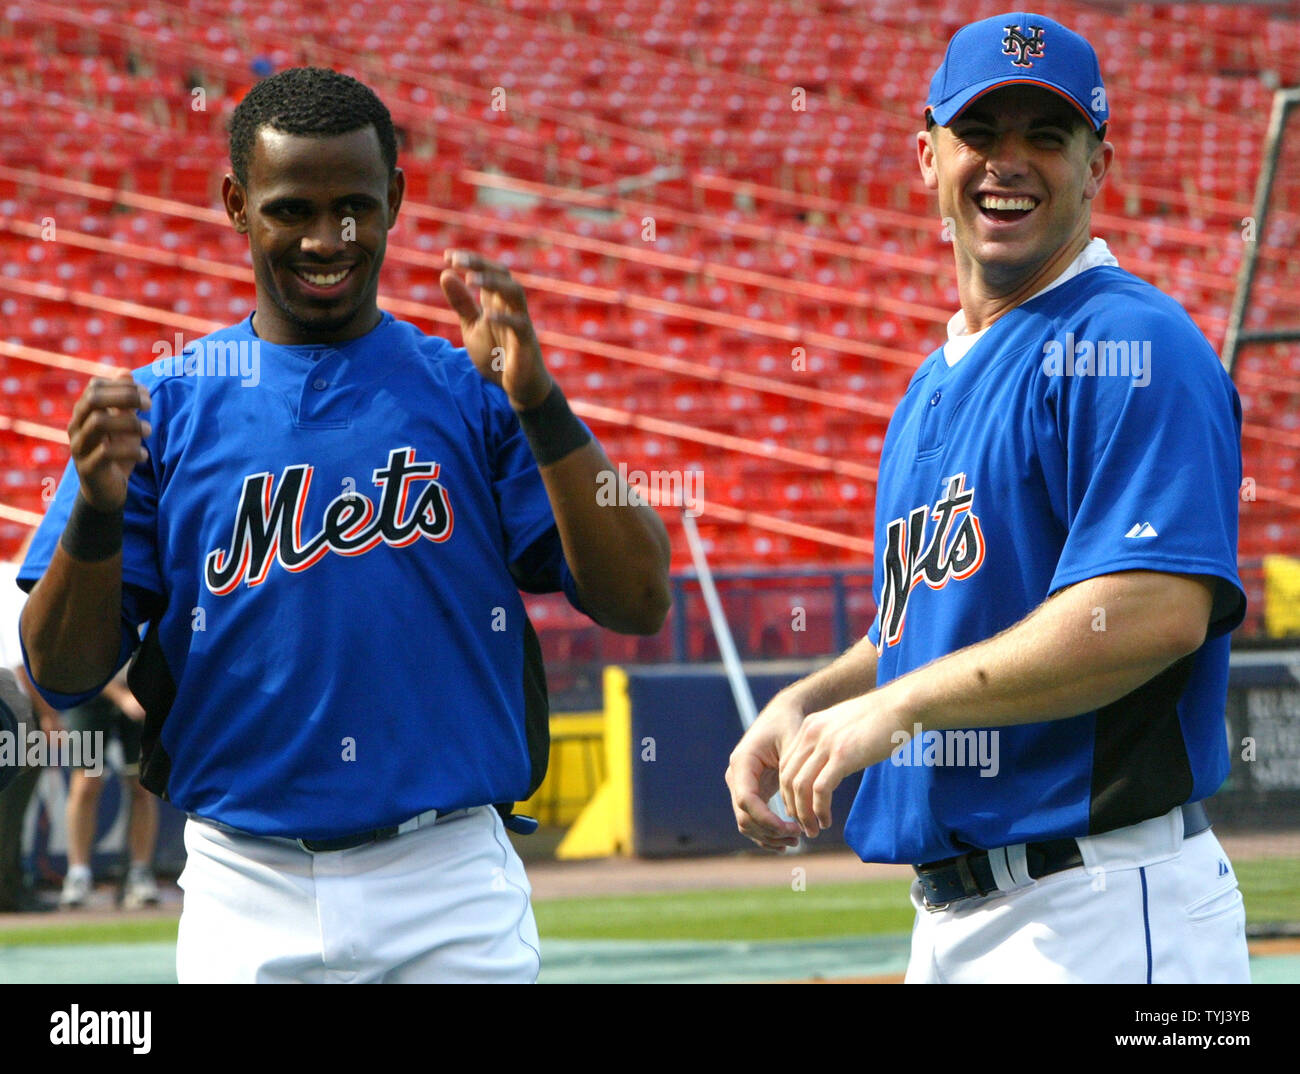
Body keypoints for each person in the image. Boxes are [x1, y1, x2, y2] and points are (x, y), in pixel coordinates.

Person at [19, 66, 670, 982]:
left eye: (353, 207)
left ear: (395, 199)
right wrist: (94, 508)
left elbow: (640, 598)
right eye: (292, 209)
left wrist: (542, 404)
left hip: (447, 878)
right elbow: (62, 665)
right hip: (245, 882)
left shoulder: (472, 393)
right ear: (237, 205)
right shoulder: (165, 408)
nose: (328, 238)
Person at [725, 13, 1250, 984]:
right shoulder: (932, 381)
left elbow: (1155, 609)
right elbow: (934, 622)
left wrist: (904, 708)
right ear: (928, 156)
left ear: (1096, 167)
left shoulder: (1133, 344)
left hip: (1100, 908)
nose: (1008, 163)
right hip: (956, 918)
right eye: (981, 135)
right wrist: (807, 701)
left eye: (1045, 138)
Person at [58, 670, 160, 910]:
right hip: (89, 693)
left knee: (142, 785)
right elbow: (80, 659)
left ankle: (140, 873)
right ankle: (78, 875)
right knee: (86, 784)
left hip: (141, 691)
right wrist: (121, 696)